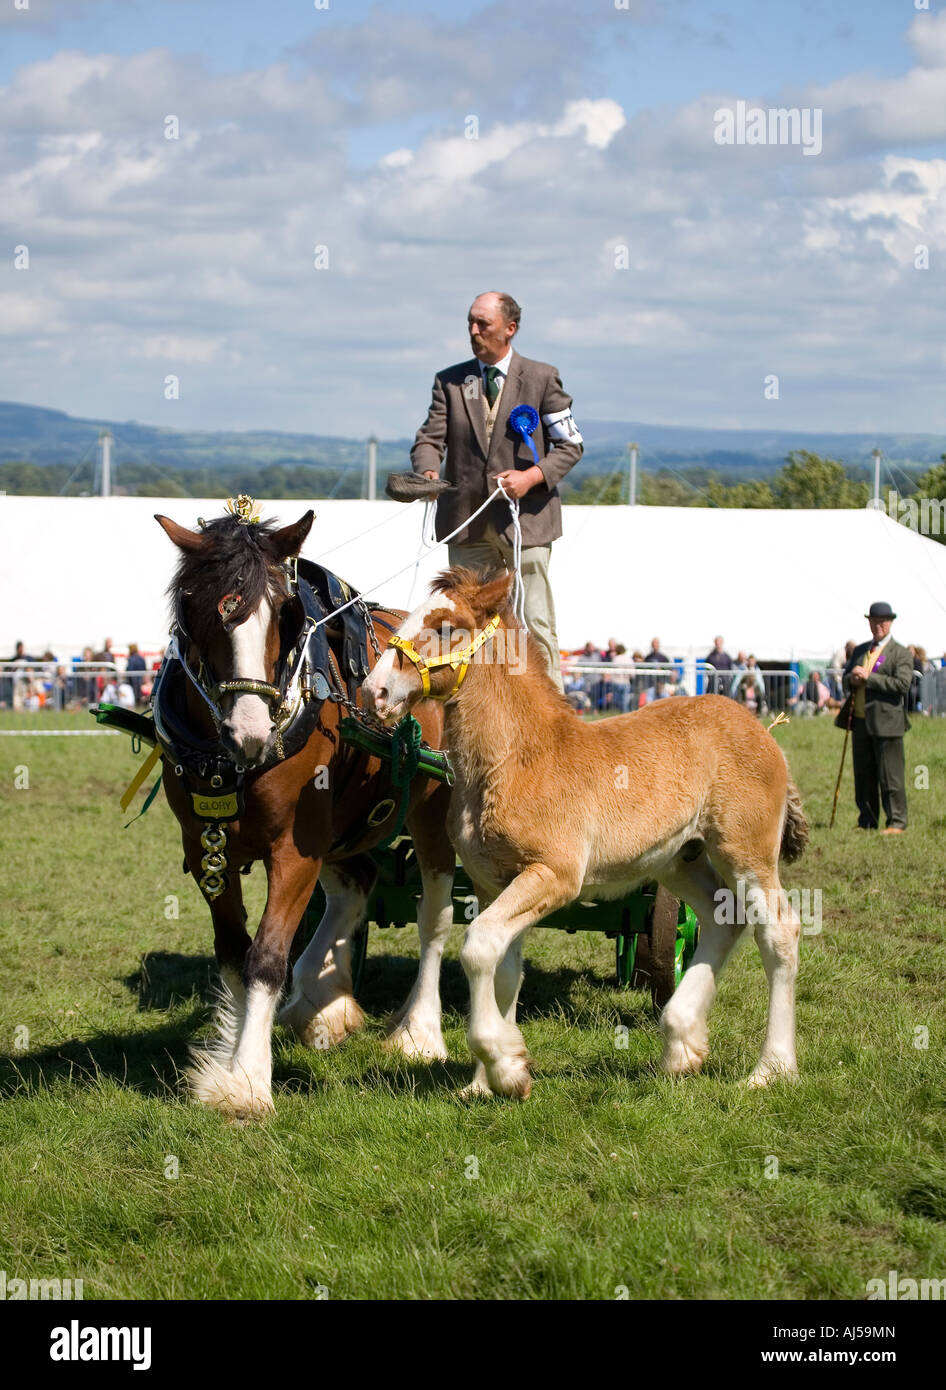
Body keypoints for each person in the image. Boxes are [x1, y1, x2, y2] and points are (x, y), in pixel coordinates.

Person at [411, 290, 583, 691]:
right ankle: (469, 711)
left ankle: (551, 712)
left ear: (510, 329)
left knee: (533, 620)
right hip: (467, 524)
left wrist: (531, 477)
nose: (473, 331)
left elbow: (570, 446)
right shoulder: (450, 382)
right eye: (470, 322)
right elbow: (428, 440)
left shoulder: (542, 378)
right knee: (463, 626)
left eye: (482, 324)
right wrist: (428, 472)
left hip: (528, 524)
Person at [840, 601, 912, 834]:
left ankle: (897, 821)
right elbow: (845, 678)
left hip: (888, 724)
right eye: (874, 621)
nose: (878, 625)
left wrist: (869, 678)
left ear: (890, 622)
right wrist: (851, 679)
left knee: (890, 775)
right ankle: (867, 821)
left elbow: (902, 684)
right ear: (869, 622)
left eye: (882, 621)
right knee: (864, 776)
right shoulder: (861, 650)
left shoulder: (899, 653)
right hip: (860, 722)